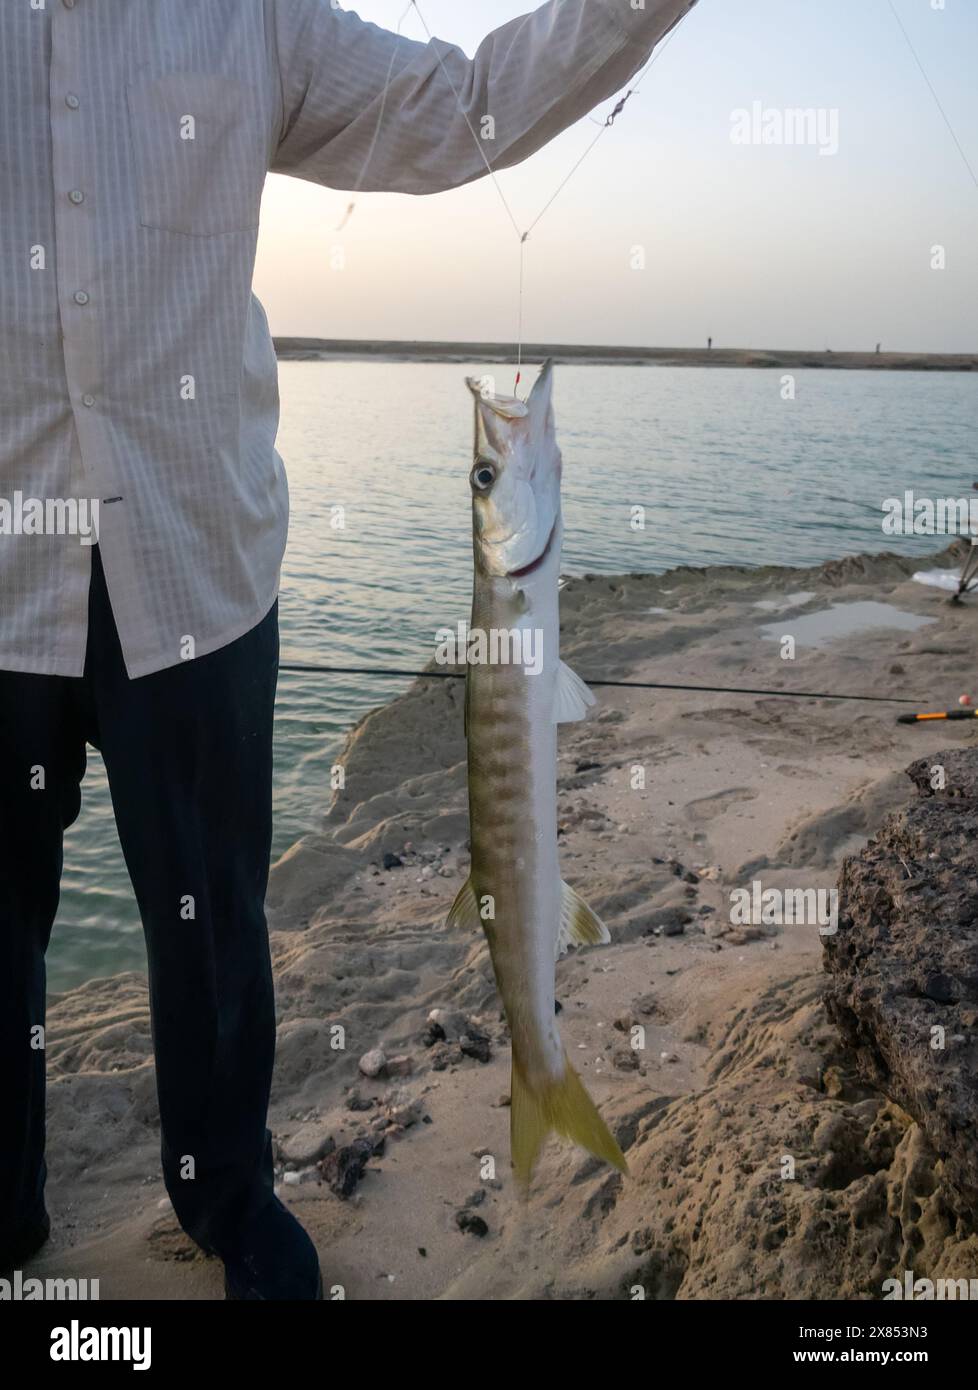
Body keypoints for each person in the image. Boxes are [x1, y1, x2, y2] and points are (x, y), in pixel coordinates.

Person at [0, 0, 698, 1300]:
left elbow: (463, 103)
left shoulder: (243, 22)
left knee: (214, 918)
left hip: (194, 560)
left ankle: (229, 1195)